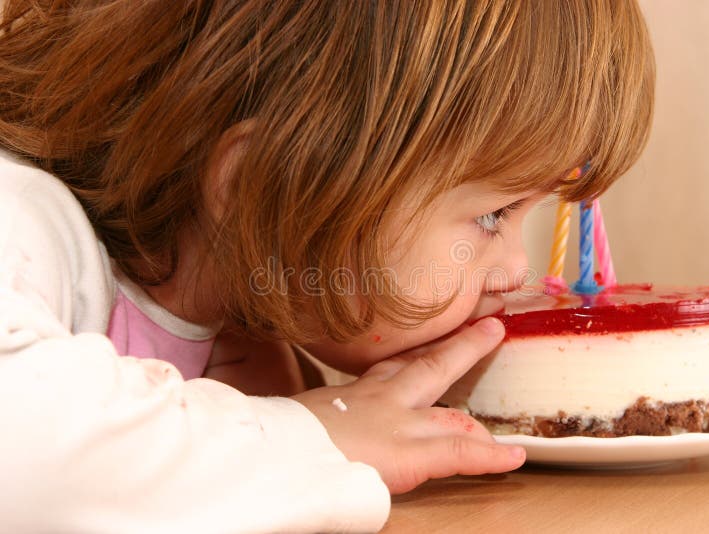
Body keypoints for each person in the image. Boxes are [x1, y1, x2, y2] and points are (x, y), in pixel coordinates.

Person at [0, 1, 654, 531]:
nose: (516, 269)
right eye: (493, 215)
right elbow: (25, 456)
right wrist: (313, 435)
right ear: (267, 187)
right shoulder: (21, 216)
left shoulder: (231, 323)